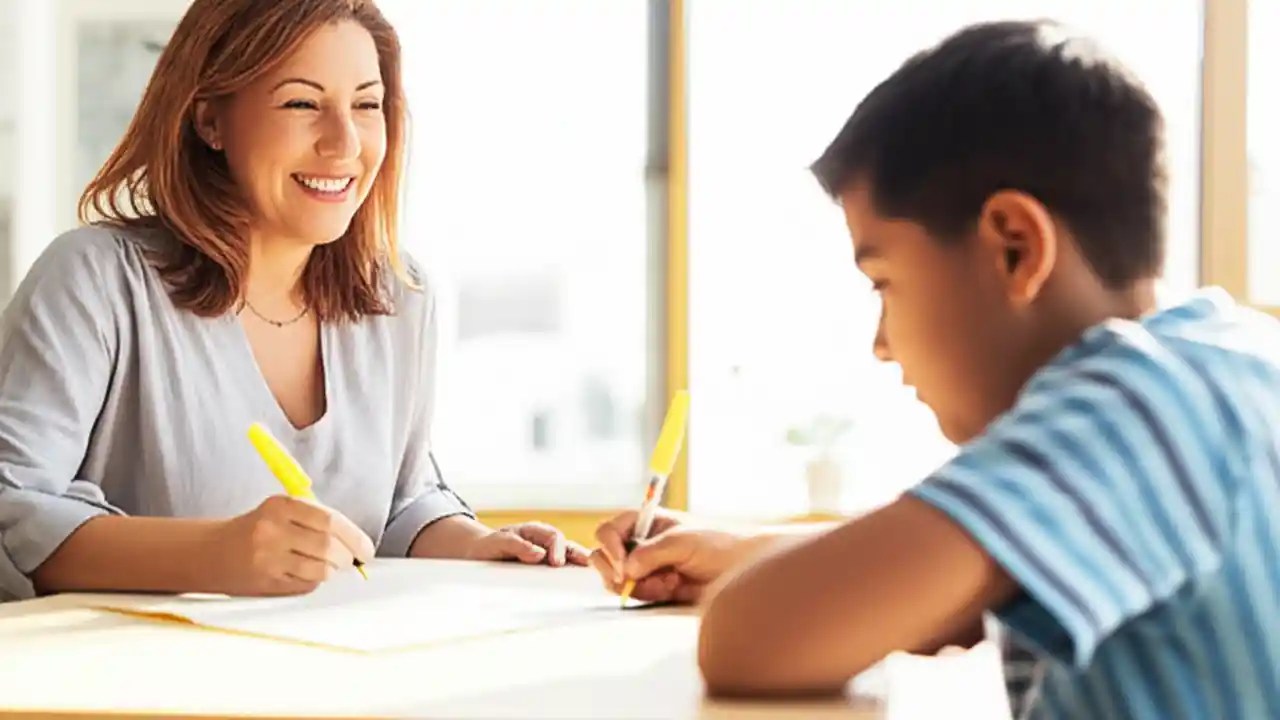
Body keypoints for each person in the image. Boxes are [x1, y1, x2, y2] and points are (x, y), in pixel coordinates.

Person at [592, 20, 1280, 720]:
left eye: (883, 284)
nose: (881, 344)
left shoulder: (1129, 404)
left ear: (1014, 247)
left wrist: (764, 580)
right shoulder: (1232, 364)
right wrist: (747, 550)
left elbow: (752, 640)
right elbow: (974, 585)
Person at [0, 0, 587, 603]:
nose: (343, 143)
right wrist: (213, 556)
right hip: (121, 687)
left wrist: (477, 546)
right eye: (302, 103)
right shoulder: (96, 279)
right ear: (210, 120)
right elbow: (12, 507)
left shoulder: (399, 298)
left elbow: (402, 504)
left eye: (366, 105)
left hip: (325, 686)